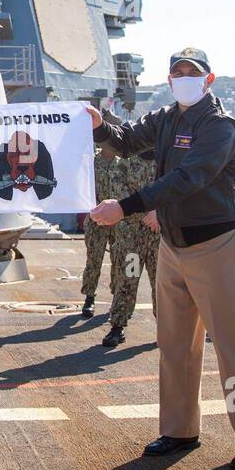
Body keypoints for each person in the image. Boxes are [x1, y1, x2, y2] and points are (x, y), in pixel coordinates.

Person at [88, 47, 235, 470]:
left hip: (216, 246)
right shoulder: (167, 118)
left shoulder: (219, 128)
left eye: (193, 73)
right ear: (170, 80)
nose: (183, 78)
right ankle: (179, 429)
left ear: (209, 80)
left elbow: (188, 178)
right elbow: (126, 140)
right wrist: (100, 127)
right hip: (173, 245)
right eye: (177, 73)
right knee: (174, 346)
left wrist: (127, 205)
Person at [103, 149, 160, 348]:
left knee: (162, 284)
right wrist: (145, 214)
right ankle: (117, 326)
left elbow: (178, 189)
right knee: (127, 280)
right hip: (132, 237)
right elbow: (119, 192)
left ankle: (166, 327)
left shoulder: (166, 160)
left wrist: (159, 214)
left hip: (159, 237)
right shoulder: (124, 162)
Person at [79, 144, 116, 318]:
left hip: (119, 220)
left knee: (120, 261)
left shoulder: (125, 161)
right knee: (94, 259)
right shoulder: (91, 161)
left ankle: (118, 297)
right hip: (96, 219)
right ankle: (89, 297)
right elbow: (82, 187)